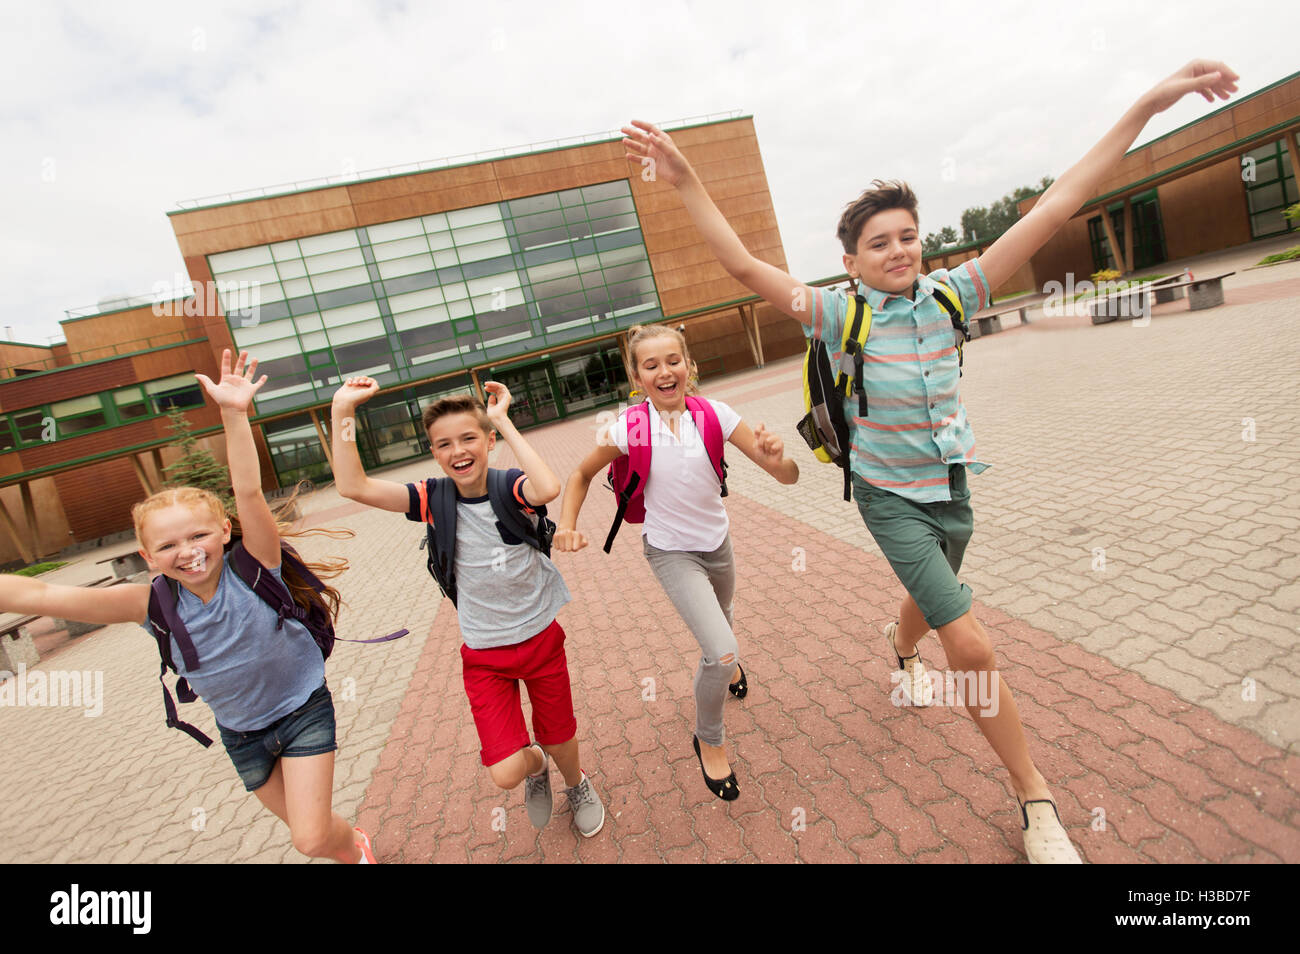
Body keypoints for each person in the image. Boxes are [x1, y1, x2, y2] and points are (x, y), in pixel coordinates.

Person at [620, 60, 1238, 861]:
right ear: (851, 260)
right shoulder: (840, 315)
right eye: (879, 242)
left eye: (909, 235)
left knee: (928, 603)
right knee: (971, 643)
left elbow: (1059, 206)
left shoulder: (957, 293)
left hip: (952, 489)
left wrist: (1151, 102)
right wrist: (686, 180)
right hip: (887, 498)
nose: (899, 249)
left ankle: (899, 642)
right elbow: (743, 265)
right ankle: (1035, 800)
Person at [0, 349, 377, 863]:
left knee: (308, 839)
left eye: (199, 534)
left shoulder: (255, 564)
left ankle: (352, 852)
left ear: (224, 531)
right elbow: (43, 595)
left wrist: (233, 413)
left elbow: (246, 489)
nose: (188, 551)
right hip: (242, 735)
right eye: (168, 546)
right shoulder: (149, 601)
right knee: (315, 831)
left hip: (303, 710)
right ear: (147, 556)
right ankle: (354, 849)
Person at [329, 376, 605, 837]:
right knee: (506, 772)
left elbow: (548, 487)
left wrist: (502, 419)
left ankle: (576, 783)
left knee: (559, 735)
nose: (457, 450)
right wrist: (342, 411)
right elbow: (352, 486)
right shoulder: (432, 499)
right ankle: (535, 767)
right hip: (484, 654)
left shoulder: (509, 487)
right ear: (434, 452)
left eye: (469, 438)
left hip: (540, 637)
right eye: (443, 444)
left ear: (489, 441)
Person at [554, 324, 798, 800]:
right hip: (669, 551)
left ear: (688, 365)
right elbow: (581, 473)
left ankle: (728, 668)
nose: (664, 372)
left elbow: (785, 478)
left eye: (673, 361)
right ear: (636, 375)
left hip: (718, 544)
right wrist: (567, 522)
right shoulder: (627, 427)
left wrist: (778, 457)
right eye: (651, 365)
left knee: (722, 622)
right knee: (722, 650)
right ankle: (709, 739)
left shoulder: (717, 415)